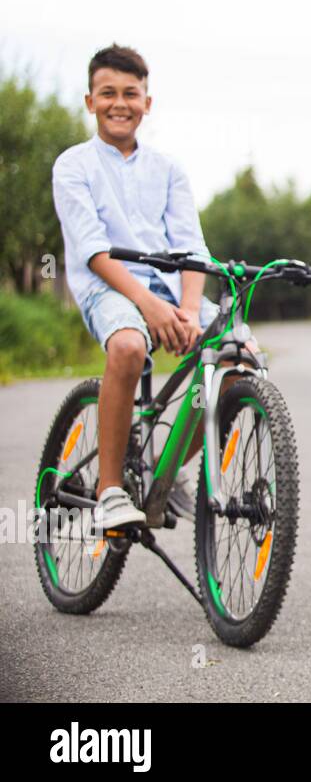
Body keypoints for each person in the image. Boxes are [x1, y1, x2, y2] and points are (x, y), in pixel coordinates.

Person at [51, 44, 250, 530]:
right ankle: (110, 491)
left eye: (131, 94)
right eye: (108, 93)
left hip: (169, 291)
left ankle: (174, 469)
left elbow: (191, 247)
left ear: (147, 102)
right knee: (127, 345)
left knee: (238, 354)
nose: (120, 103)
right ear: (90, 101)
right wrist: (148, 309)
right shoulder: (74, 166)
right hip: (109, 288)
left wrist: (184, 309)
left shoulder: (169, 169)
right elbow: (93, 251)